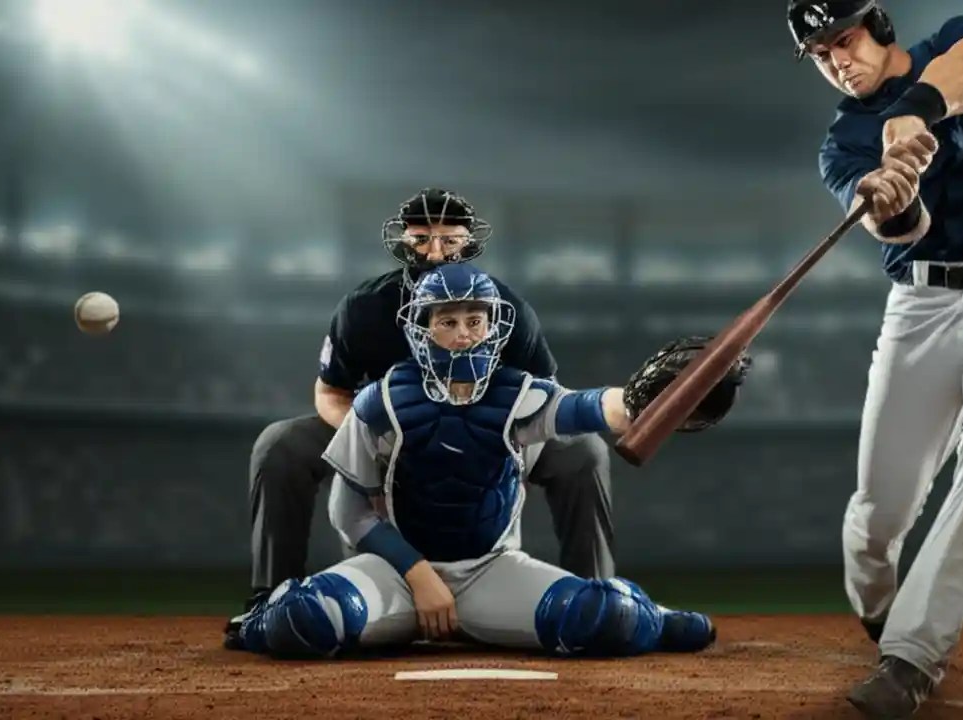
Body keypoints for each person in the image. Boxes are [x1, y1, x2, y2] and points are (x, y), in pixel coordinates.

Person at [787, 2, 963, 717]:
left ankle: (912, 656)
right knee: (878, 520)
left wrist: (913, 115)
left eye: (843, 40)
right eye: (820, 54)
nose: (836, 61)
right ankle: (881, 610)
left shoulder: (953, 39)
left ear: (878, 25)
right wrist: (890, 195)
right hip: (921, 311)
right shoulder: (840, 144)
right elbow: (902, 227)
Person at [225, 263, 733, 659]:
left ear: (493, 327)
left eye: (475, 320)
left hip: (491, 571)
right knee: (303, 620)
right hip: (394, 575)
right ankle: (260, 618)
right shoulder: (379, 401)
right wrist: (419, 576)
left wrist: (643, 401)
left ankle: (658, 618)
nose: (464, 333)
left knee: (607, 620)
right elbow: (348, 511)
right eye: (448, 321)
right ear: (423, 329)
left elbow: (590, 407)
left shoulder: (519, 394)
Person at [228, 188, 616, 641]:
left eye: (449, 240)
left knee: (584, 449)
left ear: (469, 243)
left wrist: (498, 454)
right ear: (402, 241)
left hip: (488, 430)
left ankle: (596, 597)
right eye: (421, 238)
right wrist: (378, 441)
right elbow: (330, 390)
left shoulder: (509, 311)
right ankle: (271, 600)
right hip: (383, 427)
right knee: (281, 444)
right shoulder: (364, 307)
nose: (435, 251)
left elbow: (549, 398)